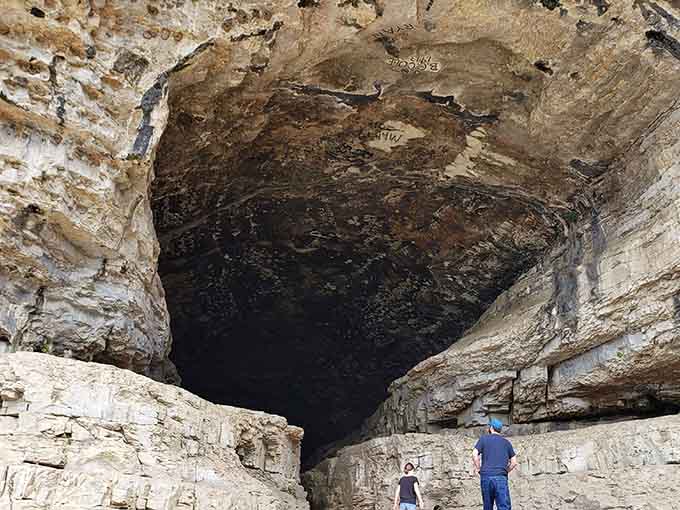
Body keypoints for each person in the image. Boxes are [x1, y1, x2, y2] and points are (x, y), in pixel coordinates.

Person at [472, 418, 518, 510]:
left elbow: (474, 454)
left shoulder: (483, 439)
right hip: (501, 477)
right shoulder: (506, 443)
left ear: (491, 428)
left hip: (486, 476)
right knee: (504, 507)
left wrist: (478, 468)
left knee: (488, 507)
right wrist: (505, 471)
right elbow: (514, 462)